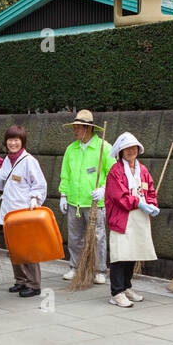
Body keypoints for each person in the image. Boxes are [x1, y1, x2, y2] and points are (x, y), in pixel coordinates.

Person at [0, 125, 48, 298]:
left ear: (22, 142)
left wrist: (34, 199)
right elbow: (0, 181)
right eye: (10, 139)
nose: (13, 143)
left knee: (28, 248)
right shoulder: (8, 160)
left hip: (24, 211)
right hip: (9, 211)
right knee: (14, 248)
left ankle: (34, 284)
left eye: (17, 140)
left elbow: (40, 184)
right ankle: (21, 280)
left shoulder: (29, 161)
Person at [58, 110, 114, 285]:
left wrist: (104, 188)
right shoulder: (71, 149)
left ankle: (100, 270)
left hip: (95, 202)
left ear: (88, 128)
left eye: (78, 128)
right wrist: (63, 194)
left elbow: (112, 172)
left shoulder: (104, 147)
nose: (75, 131)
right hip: (75, 201)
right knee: (74, 237)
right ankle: (75, 267)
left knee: (98, 237)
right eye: (74, 127)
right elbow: (65, 174)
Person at [103, 131, 158, 308]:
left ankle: (126, 287)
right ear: (120, 151)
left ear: (138, 149)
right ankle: (116, 292)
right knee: (120, 255)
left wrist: (151, 204)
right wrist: (139, 203)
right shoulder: (115, 171)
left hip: (139, 218)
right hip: (122, 217)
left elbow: (149, 190)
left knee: (132, 253)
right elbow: (118, 196)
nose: (130, 151)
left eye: (133, 147)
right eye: (126, 148)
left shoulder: (143, 170)